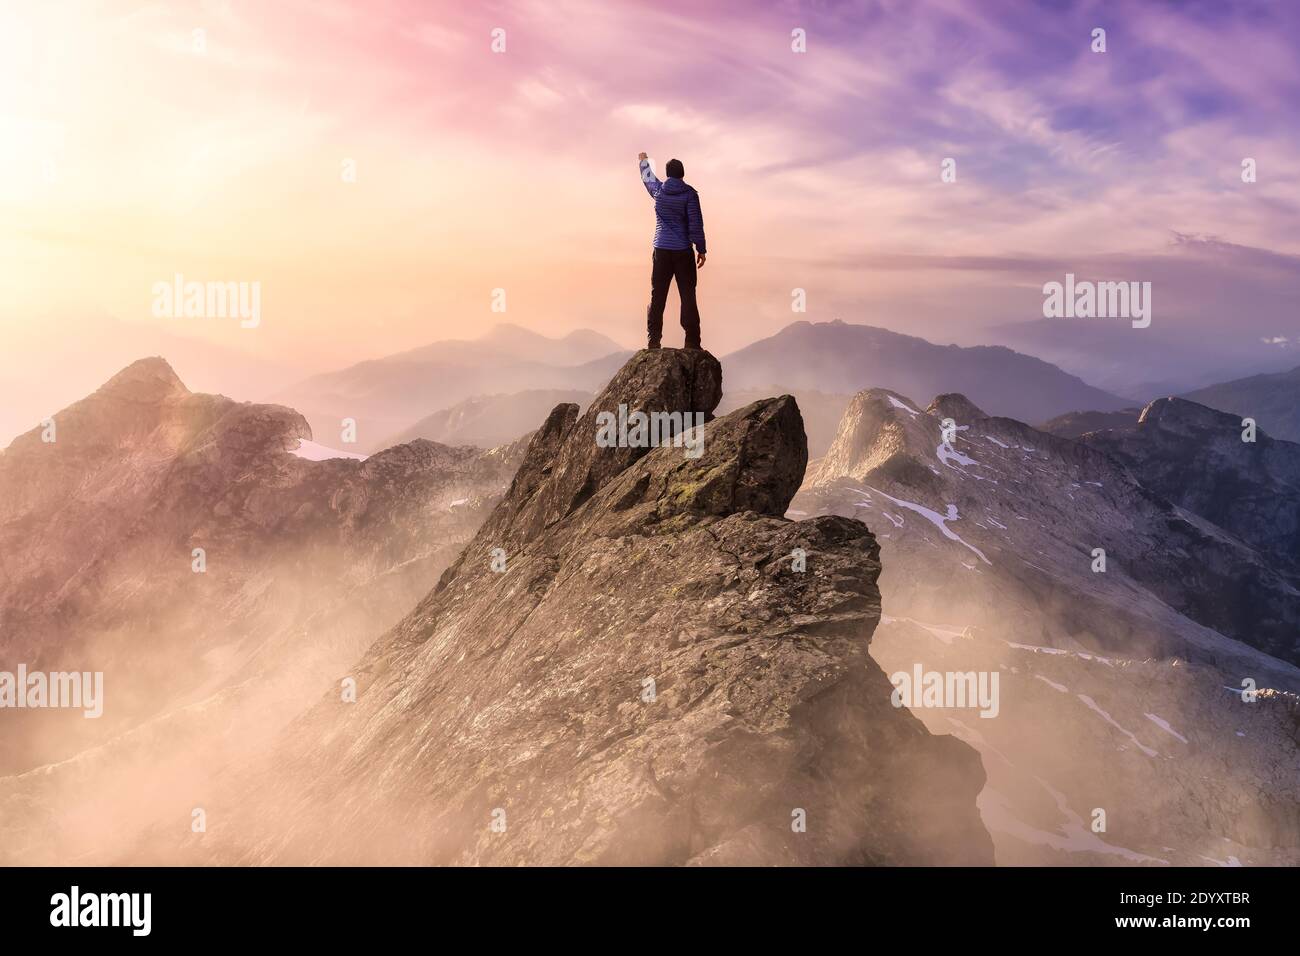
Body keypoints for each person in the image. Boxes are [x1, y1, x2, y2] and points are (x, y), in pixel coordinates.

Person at [637, 152, 706, 349]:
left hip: (661, 251)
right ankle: (692, 341)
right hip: (683, 252)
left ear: (667, 174)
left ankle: (653, 340)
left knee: (657, 296)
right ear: (682, 174)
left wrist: (643, 161)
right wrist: (701, 249)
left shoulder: (659, 191)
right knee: (687, 296)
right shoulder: (689, 195)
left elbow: (647, 178)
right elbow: (695, 224)